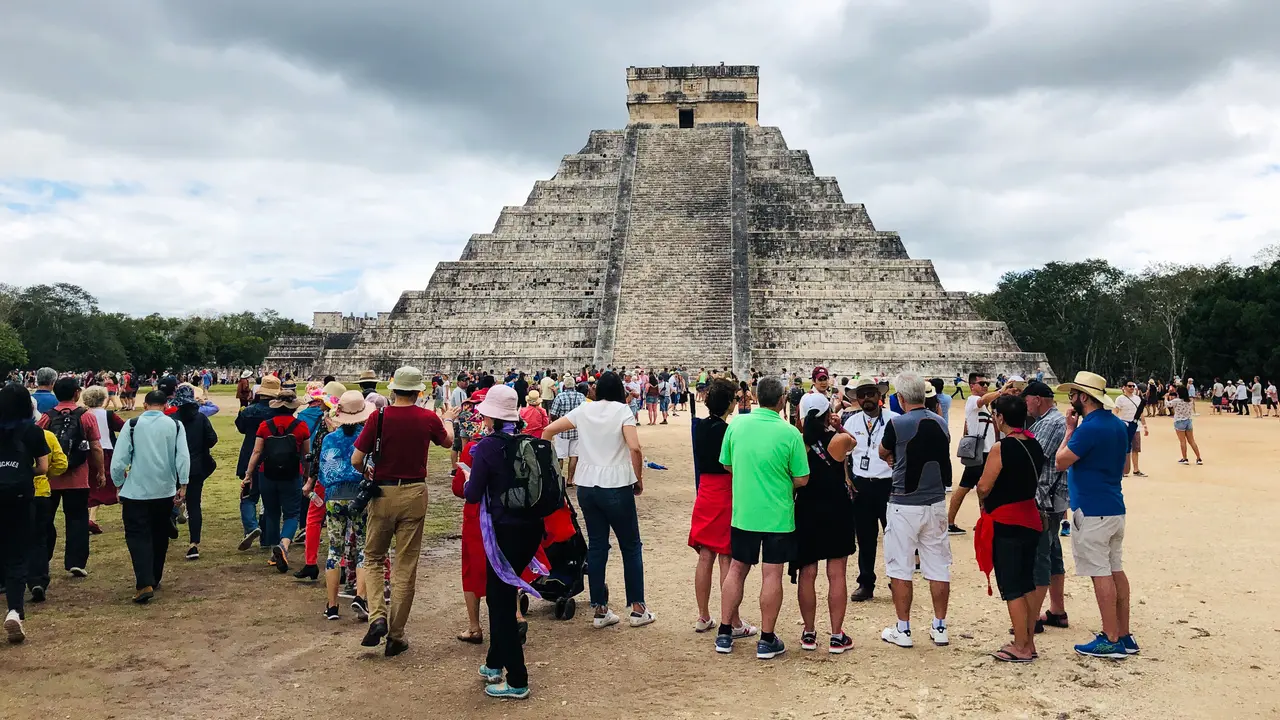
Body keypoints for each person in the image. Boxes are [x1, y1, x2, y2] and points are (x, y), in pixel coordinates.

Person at [350, 366, 455, 656]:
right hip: (414, 491)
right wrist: (447, 420)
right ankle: (396, 634)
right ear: (419, 391)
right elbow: (448, 442)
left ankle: (377, 616)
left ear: (393, 389)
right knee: (405, 566)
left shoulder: (379, 417)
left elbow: (357, 459)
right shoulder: (426, 418)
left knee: (373, 556)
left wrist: (369, 475)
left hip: (383, 492)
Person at [542, 372, 654, 629]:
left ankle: (600, 608)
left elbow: (549, 430)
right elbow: (635, 447)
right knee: (630, 545)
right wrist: (638, 478)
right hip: (616, 484)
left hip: (587, 485)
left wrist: (546, 465)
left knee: (597, 546)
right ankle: (638, 607)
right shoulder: (622, 411)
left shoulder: (584, 411)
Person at [713, 376, 809, 660]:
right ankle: (767, 638)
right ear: (782, 401)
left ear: (755, 397)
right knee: (772, 573)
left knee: (737, 569)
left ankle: (724, 630)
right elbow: (802, 478)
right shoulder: (790, 433)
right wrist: (783, 483)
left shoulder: (738, 425)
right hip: (778, 514)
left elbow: (727, 463)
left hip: (744, 510)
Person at [464, 385, 544, 700]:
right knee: (502, 593)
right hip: (531, 529)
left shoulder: (486, 447)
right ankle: (494, 663)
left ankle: (517, 678)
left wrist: (471, 477)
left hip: (503, 532)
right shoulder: (528, 442)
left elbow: (472, 495)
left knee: (499, 604)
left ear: (490, 416)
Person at [1054, 371, 1137, 659]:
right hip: (1114, 506)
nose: (1071, 398)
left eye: (1075, 393)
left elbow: (1060, 461)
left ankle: (1110, 637)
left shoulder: (1088, 428)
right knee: (1115, 568)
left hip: (1091, 510)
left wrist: (1068, 431)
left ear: (1085, 397)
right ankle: (1123, 634)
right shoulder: (1116, 424)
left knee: (1099, 572)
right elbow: (1126, 468)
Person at [878, 372, 953, 650]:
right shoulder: (941, 423)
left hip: (903, 503)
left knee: (901, 567)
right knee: (938, 567)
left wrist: (894, 458)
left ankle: (903, 628)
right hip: (934, 503)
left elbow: (882, 452)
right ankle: (940, 625)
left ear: (900, 398)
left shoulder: (898, 424)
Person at [974, 394, 1045, 662]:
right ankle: (1028, 641)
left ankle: (1021, 645)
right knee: (1026, 583)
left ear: (1000, 418)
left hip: (1007, 521)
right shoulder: (1034, 444)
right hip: (1030, 517)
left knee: (1012, 587)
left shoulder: (1001, 448)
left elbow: (983, 486)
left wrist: (983, 501)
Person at [688, 379, 755, 638]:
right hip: (725, 490)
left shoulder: (701, 427)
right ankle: (733, 619)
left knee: (706, 555)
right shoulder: (728, 430)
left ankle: (703, 615)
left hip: (705, 489)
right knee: (726, 555)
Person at [110, 390, 190, 603]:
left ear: (144, 405)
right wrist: (183, 484)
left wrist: (118, 483)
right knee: (159, 534)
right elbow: (182, 456)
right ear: (165, 405)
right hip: (164, 491)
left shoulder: (132, 425)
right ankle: (154, 576)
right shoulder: (175, 425)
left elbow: (119, 461)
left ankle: (144, 581)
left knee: (137, 536)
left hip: (136, 491)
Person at [792, 393, 856, 653]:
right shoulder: (838, 440)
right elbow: (854, 440)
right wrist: (837, 423)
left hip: (807, 508)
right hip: (836, 508)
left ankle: (809, 632)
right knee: (837, 573)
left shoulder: (797, 443)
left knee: (808, 573)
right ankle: (837, 635)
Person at [36, 377, 104, 579]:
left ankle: (42, 559)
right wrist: (100, 471)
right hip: (78, 477)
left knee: (45, 520)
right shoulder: (86, 416)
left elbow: (36, 441)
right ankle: (76, 561)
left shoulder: (46, 417)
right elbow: (96, 447)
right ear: (77, 393)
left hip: (51, 477)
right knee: (77, 519)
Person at [315, 390, 373, 620]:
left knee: (333, 549)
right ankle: (360, 596)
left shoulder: (329, 439)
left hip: (334, 496)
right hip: (359, 495)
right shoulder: (364, 438)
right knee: (362, 548)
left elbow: (321, 472)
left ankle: (332, 605)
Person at [1, 384, 51, 643]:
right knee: (17, 557)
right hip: (20, 497)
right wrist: (21, 471)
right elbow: (43, 467)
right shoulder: (33, 431)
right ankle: (15, 610)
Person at [241, 389, 309, 573]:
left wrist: (248, 474)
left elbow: (256, 452)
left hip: (267, 473)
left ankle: (273, 550)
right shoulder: (301, 426)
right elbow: (305, 455)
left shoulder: (265, 425)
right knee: (292, 513)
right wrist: (308, 475)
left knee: (271, 512)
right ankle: (284, 545)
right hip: (292, 474)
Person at [1022, 381, 1071, 634]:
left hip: (1045, 497)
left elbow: (1032, 457)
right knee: (1052, 552)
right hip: (1053, 496)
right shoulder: (1049, 421)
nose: (1025, 404)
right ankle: (1057, 610)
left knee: (1040, 554)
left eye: (1026, 399)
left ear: (1037, 399)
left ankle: (1031, 617)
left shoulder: (1051, 423)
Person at [844, 378, 898, 602]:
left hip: (889, 485)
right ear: (857, 398)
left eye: (871, 394)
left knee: (894, 536)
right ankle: (866, 582)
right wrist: (848, 479)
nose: (867, 398)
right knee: (865, 537)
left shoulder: (895, 421)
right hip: (862, 485)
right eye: (862, 394)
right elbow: (844, 457)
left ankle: (898, 581)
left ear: (879, 396)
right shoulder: (851, 423)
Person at [171, 385, 217, 561]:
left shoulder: (173, 420)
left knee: (170, 498)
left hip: (175, 467)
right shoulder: (201, 419)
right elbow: (212, 439)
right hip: (196, 467)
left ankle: (172, 520)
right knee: (194, 505)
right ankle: (194, 544)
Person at [946, 372, 996, 534]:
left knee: (983, 489)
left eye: (987, 384)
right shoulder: (973, 400)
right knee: (965, 487)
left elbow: (968, 426)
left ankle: (983, 520)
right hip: (980, 453)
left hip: (984, 452)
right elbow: (982, 400)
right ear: (972, 386)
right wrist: (1002, 391)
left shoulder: (981, 406)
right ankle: (950, 522)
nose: (986, 386)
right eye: (982, 384)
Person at [80, 386, 125, 535]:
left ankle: (90, 518)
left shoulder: (82, 415)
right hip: (108, 451)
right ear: (103, 398)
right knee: (120, 484)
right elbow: (124, 428)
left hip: (87, 453)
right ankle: (128, 517)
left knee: (92, 486)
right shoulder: (109, 415)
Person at [547, 381, 586, 487]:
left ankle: (559, 480)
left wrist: (557, 422)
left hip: (562, 431)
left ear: (564, 386)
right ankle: (570, 480)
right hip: (577, 430)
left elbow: (554, 414)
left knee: (560, 456)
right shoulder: (581, 397)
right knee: (574, 456)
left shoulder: (560, 396)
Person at [1113, 381, 1148, 477]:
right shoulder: (1120, 399)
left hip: (1136, 426)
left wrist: (1144, 425)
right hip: (1125, 425)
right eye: (1129, 386)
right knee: (1124, 448)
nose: (1132, 388)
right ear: (1124, 387)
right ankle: (1123, 469)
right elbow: (1115, 411)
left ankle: (1136, 470)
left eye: (1133, 386)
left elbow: (1140, 412)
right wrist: (1119, 422)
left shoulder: (1137, 398)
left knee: (1136, 448)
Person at [1165, 385, 1203, 465]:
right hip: (1188, 421)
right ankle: (1198, 458)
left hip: (1179, 421)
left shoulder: (1177, 401)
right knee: (1192, 441)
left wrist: (1166, 398)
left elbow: (1168, 405)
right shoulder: (1190, 401)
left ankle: (1185, 458)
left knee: (1182, 441)